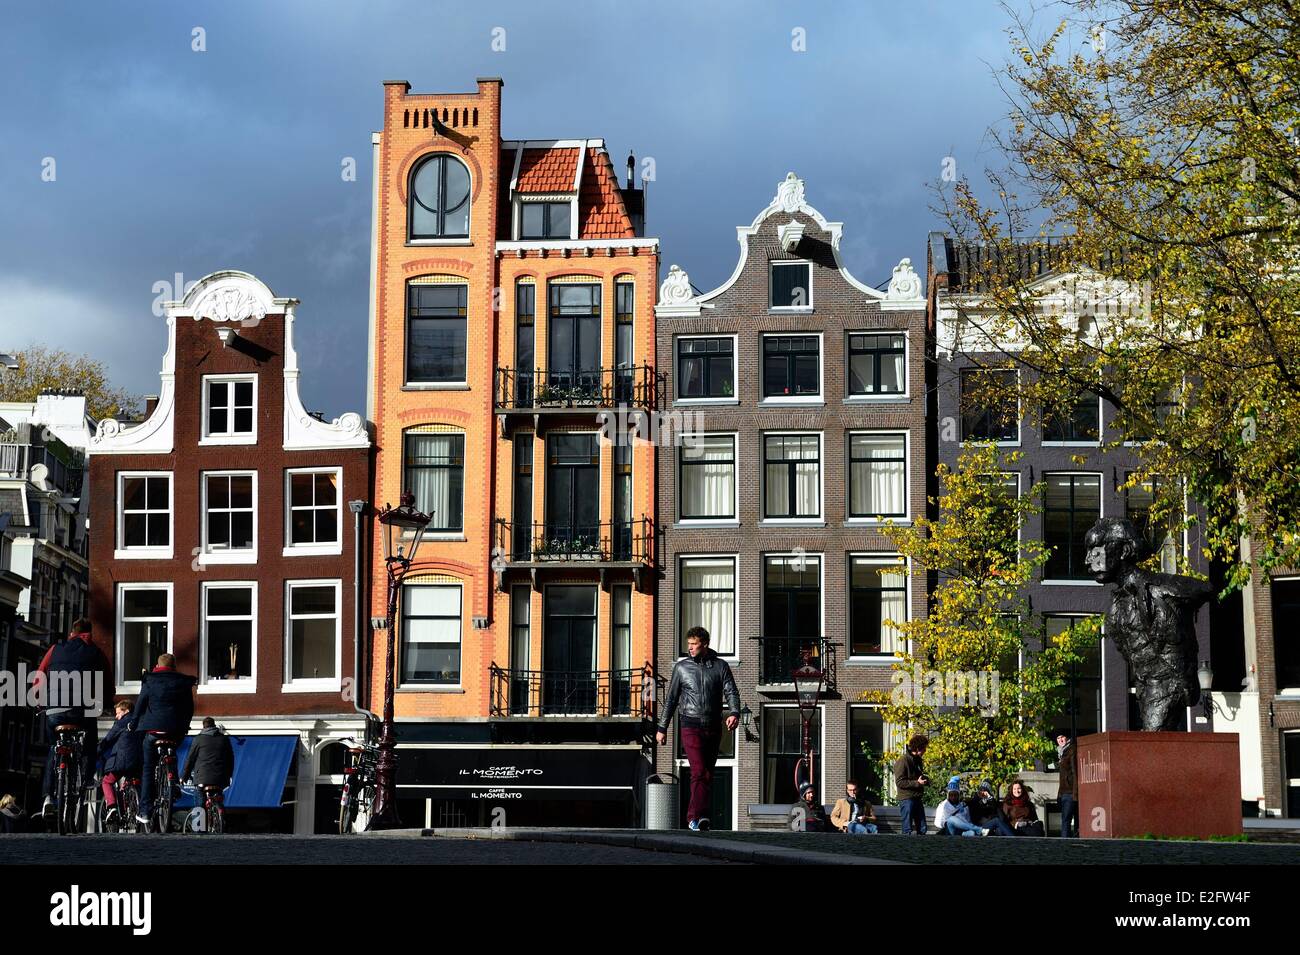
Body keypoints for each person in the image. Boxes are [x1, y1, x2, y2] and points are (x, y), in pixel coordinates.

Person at [655, 626, 741, 832]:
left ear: (705, 644)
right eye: (689, 644)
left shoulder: (720, 667)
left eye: (693, 644)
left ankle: (701, 817)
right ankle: (695, 817)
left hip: (713, 726)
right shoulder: (682, 668)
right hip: (690, 725)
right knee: (699, 771)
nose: (690, 648)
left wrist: (735, 712)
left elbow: (731, 692)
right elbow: (671, 699)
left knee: (708, 774)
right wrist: (662, 727)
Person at [35, 618, 109, 815]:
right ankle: (86, 777)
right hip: (81, 709)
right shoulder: (95, 651)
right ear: (89, 633)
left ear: (71, 632)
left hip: (54, 710)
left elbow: (40, 674)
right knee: (90, 738)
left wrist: (38, 699)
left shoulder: (55, 649)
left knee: (54, 747)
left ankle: (48, 796)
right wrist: (106, 701)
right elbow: (107, 679)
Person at [129, 653, 197, 828]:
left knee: (148, 768)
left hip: (153, 730)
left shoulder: (150, 681)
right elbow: (189, 708)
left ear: (157, 666)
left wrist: (133, 723)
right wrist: (185, 724)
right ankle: (172, 783)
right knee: (172, 750)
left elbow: (140, 704)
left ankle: (144, 810)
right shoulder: (182, 682)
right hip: (175, 730)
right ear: (174, 667)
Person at [96, 699, 142, 827]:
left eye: (118, 713)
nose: (116, 716)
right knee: (127, 785)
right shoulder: (141, 720)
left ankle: (112, 807)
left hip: (123, 761)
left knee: (107, 781)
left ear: (126, 711)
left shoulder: (122, 722)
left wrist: (96, 753)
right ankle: (134, 809)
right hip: (138, 761)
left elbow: (108, 740)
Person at [183, 717, 235, 793]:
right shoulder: (224, 739)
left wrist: (184, 777)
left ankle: (200, 805)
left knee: (199, 800)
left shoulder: (198, 739)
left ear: (203, 727)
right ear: (214, 725)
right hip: (220, 778)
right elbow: (230, 759)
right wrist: (229, 775)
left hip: (201, 779)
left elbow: (191, 759)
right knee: (218, 797)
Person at [893, 734, 930, 835]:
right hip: (907, 799)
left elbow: (917, 777)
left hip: (917, 797)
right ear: (918, 748)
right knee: (907, 829)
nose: (925, 751)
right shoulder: (903, 760)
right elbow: (899, 782)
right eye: (924, 749)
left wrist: (925, 780)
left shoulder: (917, 760)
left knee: (922, 829)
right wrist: (917, 783)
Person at [1056, 730, 1079, 838]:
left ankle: (1064, 844)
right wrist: (1059, 794)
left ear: (1067, 738)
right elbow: (1062, 777)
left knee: (1066, 819)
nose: (1060, 740)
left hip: (1070, 792)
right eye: (1058, 738)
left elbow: (1075, 772)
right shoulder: (1061, 753)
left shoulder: (1071, 750)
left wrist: (1075, 793)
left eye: (1062, 737)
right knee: (1066, 819)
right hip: (1064, 792)